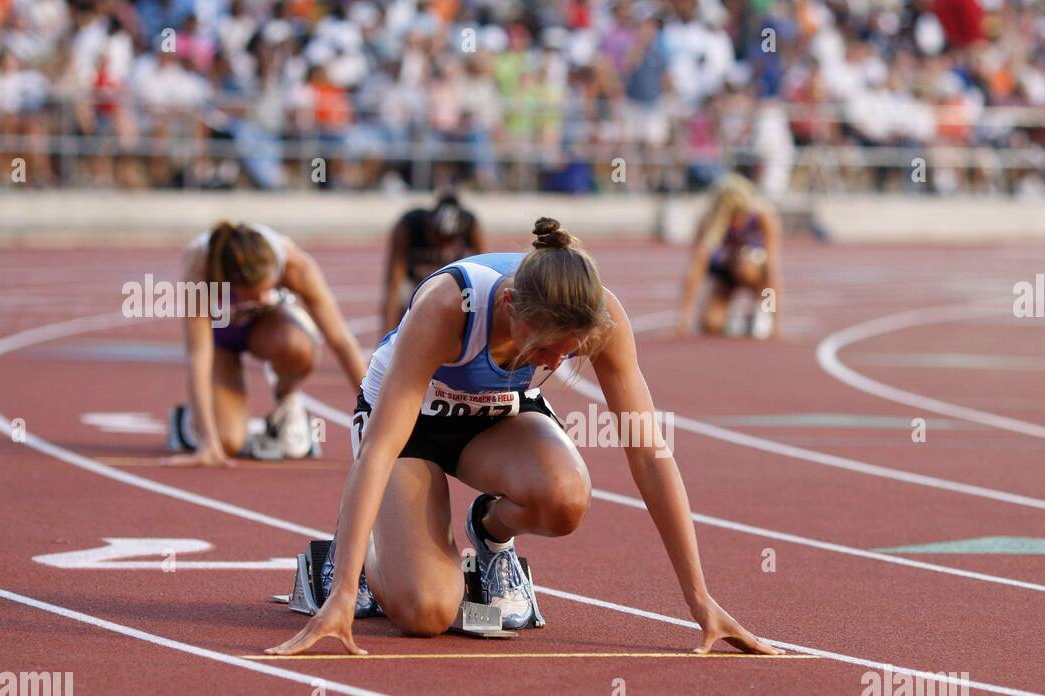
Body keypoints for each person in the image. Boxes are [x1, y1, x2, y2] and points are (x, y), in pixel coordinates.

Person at [266, 218, 780, 657]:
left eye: (567, 353)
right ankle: (337, 562)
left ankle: (488, 533)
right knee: (426, 612)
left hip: (494, 417)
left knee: (566, 497)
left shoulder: (599, 316)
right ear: (510, 304)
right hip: (410, 424)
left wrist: (700, 599)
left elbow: (649, 452)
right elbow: (379, 448)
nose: (555, 363)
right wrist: (341, 593)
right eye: (544, 350)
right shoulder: (451, 305)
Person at [170, 222, 367, 466]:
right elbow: (199, 355)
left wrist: (376, 412)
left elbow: (341, 341)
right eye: (254, 294)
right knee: (227, 442)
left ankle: (287, 402)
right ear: (231, 283)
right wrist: (208, 442)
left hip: (267, 330)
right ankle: (189, 421)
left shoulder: (296, 266)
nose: (264, 299)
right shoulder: (199, 267)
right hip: (220, 338)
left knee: (297, 346)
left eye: (268, 289)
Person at [677, 174, 784, 338]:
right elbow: (696, 267)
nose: (737, 221)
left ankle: (759, 309)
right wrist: (684, 316)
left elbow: (771, 269)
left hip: (755, 273)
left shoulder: (763, 216)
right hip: (726, 272)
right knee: (711, 324)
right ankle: (737, 321)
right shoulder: (708, 220)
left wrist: (774, 318)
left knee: (746, 266)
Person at [381, 192, 485, 336]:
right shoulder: (410, 225)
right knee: (401, 302)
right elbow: (394, 282)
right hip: (414, 283)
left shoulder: (470, 225)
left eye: (448, 240)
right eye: (438, 237)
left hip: (450, 284)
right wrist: (386, 337)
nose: (442, 245)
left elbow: (483, 271)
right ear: (429, 225)